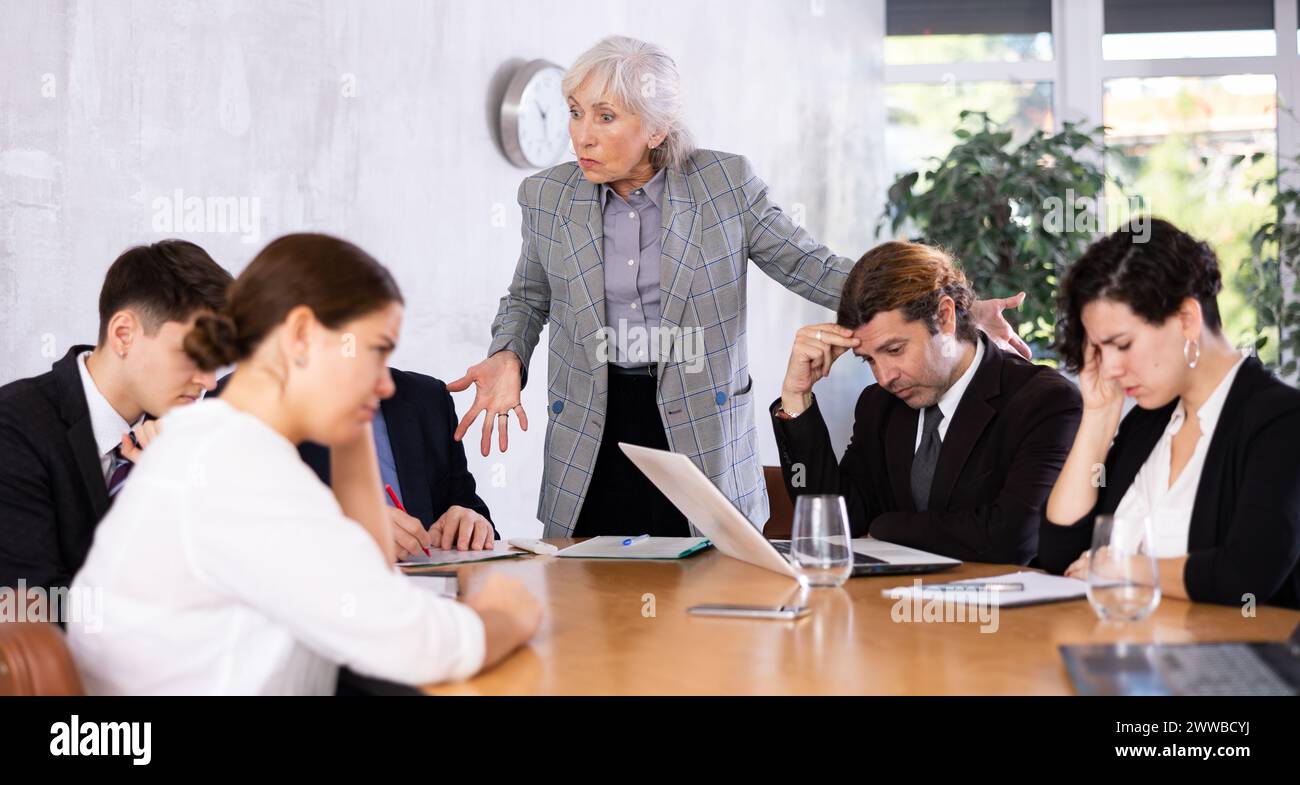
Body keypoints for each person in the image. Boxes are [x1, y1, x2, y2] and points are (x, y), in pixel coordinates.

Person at [450, 35, 1030, 538]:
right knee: (591, 601)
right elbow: (529, 297)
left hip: (701, 423)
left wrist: (954, 308)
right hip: (591, 427)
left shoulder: (724, 184)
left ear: (656, 128)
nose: (582, 135)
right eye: (575, 112)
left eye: (605, 117)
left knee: (705, 602)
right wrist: (508, 354)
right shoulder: (547, 196)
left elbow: (811, 265)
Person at [67, 233, 541, 694]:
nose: (387, 385)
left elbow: (371, 584)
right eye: (374, 352)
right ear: (299, 336)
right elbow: (413, 645)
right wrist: (506, 616)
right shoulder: (238, 467)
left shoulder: (216, 436)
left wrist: (353, 412)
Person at [1040, 219, 1300, 608]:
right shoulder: (1150, 419)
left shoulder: (1280, 421)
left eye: (1122, 344)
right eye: (1099, 350)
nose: (1109, 368)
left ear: (1187, 319)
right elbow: (1060, 554)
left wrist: (1129, 569)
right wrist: (1098, 417)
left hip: (1232, 663)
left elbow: (1246, 576)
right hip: (1131, 654)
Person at [770, 241, 1081, 564]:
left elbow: (1012, 539)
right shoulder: (879, 405)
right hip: (889, 606)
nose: (884, 377)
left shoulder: (1045, 402)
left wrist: (884, 526)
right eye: (868, 360)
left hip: (1007, 610)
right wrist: (797, 396)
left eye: (894, 350)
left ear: (945, 316)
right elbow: (834, 522)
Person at [0, 240, 232, 593]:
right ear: (124, 335)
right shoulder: (15, 426)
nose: (209, 381)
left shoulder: (183, 441)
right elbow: (31, 603)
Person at [297, 367, 498, 558]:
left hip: (424, 588)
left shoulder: (427, 398)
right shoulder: (277, 409)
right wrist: (349, 530)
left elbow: (464, 502)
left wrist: (471, 523)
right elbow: (272, 535)